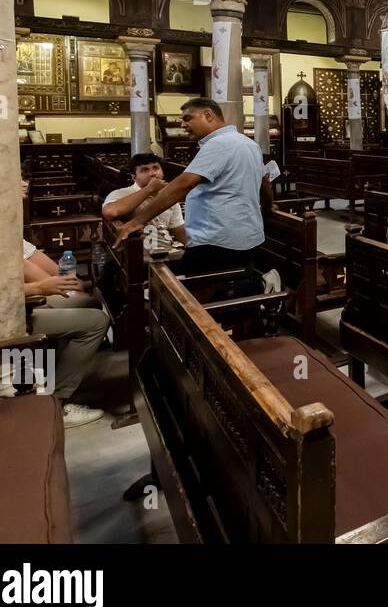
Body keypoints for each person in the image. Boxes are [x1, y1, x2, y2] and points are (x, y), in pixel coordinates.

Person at [115, 98, 269, 280]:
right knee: (225, 288)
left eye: (188, 118)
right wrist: (268, 208)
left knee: (186, 299)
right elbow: (264, 181)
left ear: (208, 115)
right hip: (246, 236)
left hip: (217, 241)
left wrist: (136, 221)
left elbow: (182, 185)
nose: (183, 124)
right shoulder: (248, 143)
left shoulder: (218, 144)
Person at [21, 258, 109, 428]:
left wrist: (56, 284)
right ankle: (55, 405)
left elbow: (23, 261)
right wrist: (38, 287)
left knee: (88, 303)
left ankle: (59, 381)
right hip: (9, 317)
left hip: (21, 305)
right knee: (97, 322)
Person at [101, 152, 188, 253]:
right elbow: (110, 212)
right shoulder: (122, 193)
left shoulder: (168, 197)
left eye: (156, 168)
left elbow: (178, 230)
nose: (153, 173)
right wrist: (148, 189)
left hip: (165, 251)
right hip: (136, 254)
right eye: (145, 170)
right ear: (134, 177)